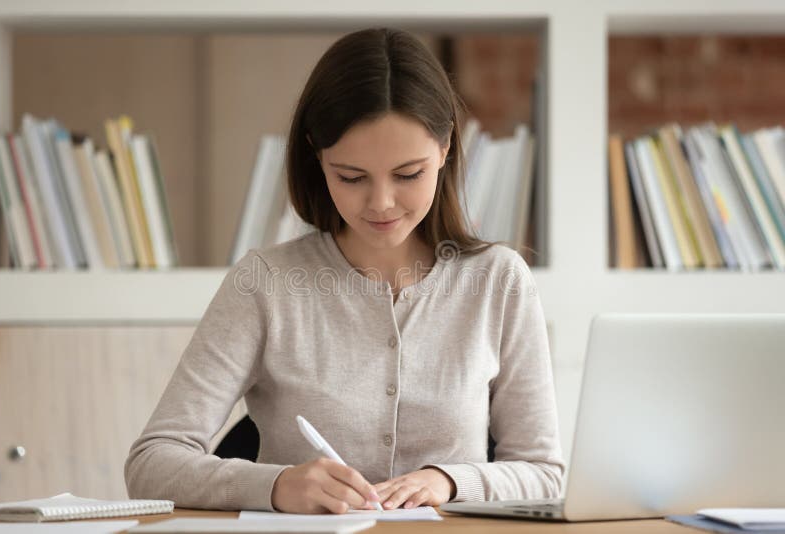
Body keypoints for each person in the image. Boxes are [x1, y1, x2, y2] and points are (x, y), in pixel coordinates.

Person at [125, 26, 564, 515]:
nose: (381, 203)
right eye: (351, 177)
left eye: (408, 174)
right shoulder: (264, 284)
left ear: (445, 149)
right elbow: (152, 464)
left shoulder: (499, 281)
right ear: (317, 156)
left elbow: (544, 473)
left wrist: (451, 481)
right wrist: (276, 487)